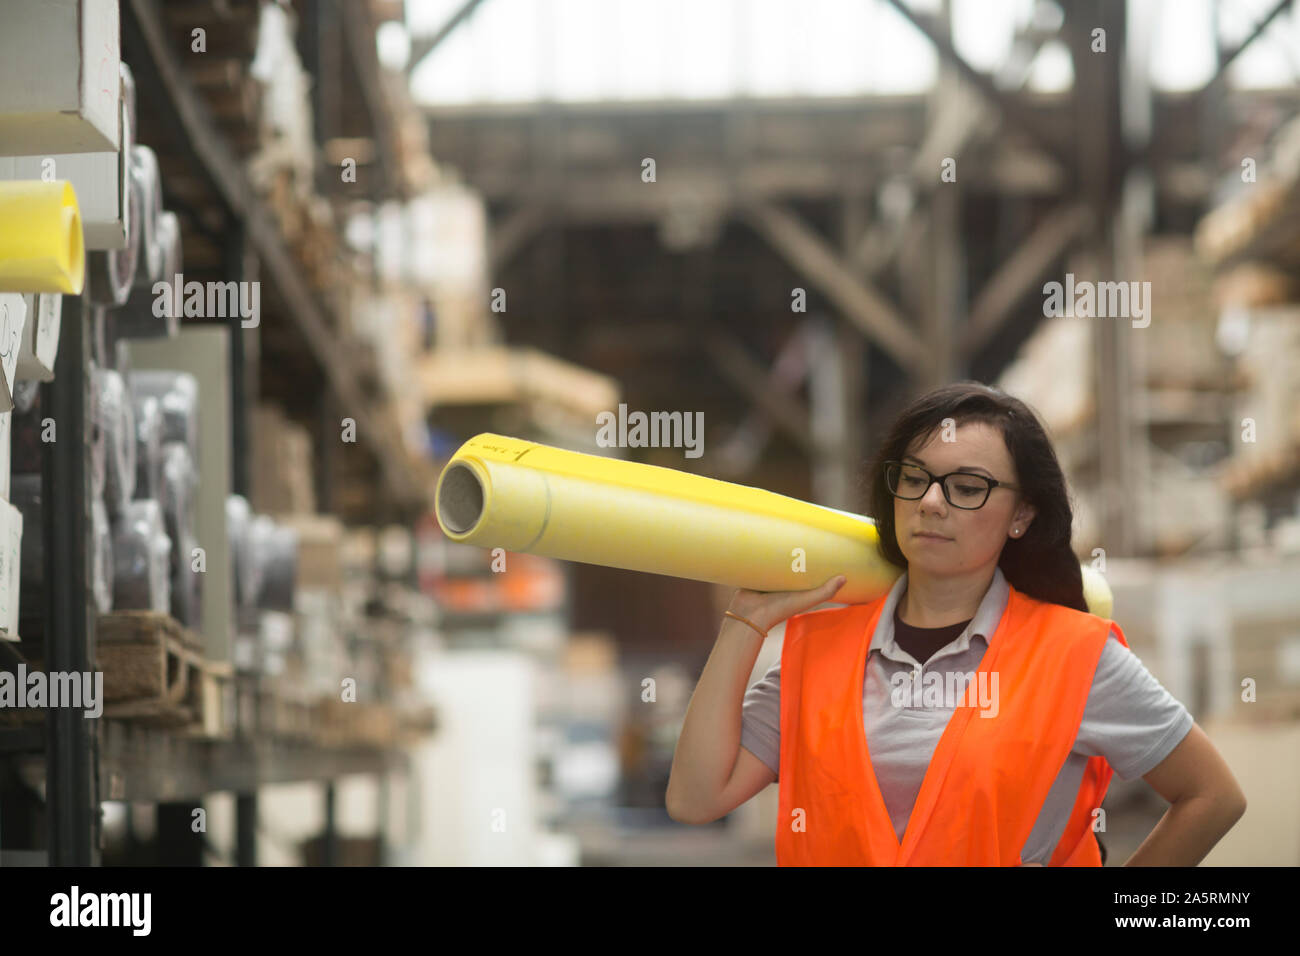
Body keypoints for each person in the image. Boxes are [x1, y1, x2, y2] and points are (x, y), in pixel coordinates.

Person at [666, 381, 1246, 865]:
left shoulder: (1071, 656)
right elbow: (695, 800)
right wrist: (746, 621)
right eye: (914, 479)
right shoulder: (819, 653)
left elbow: (1213, 796)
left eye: (967, 487)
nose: (931, 503)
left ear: (1022, 514)